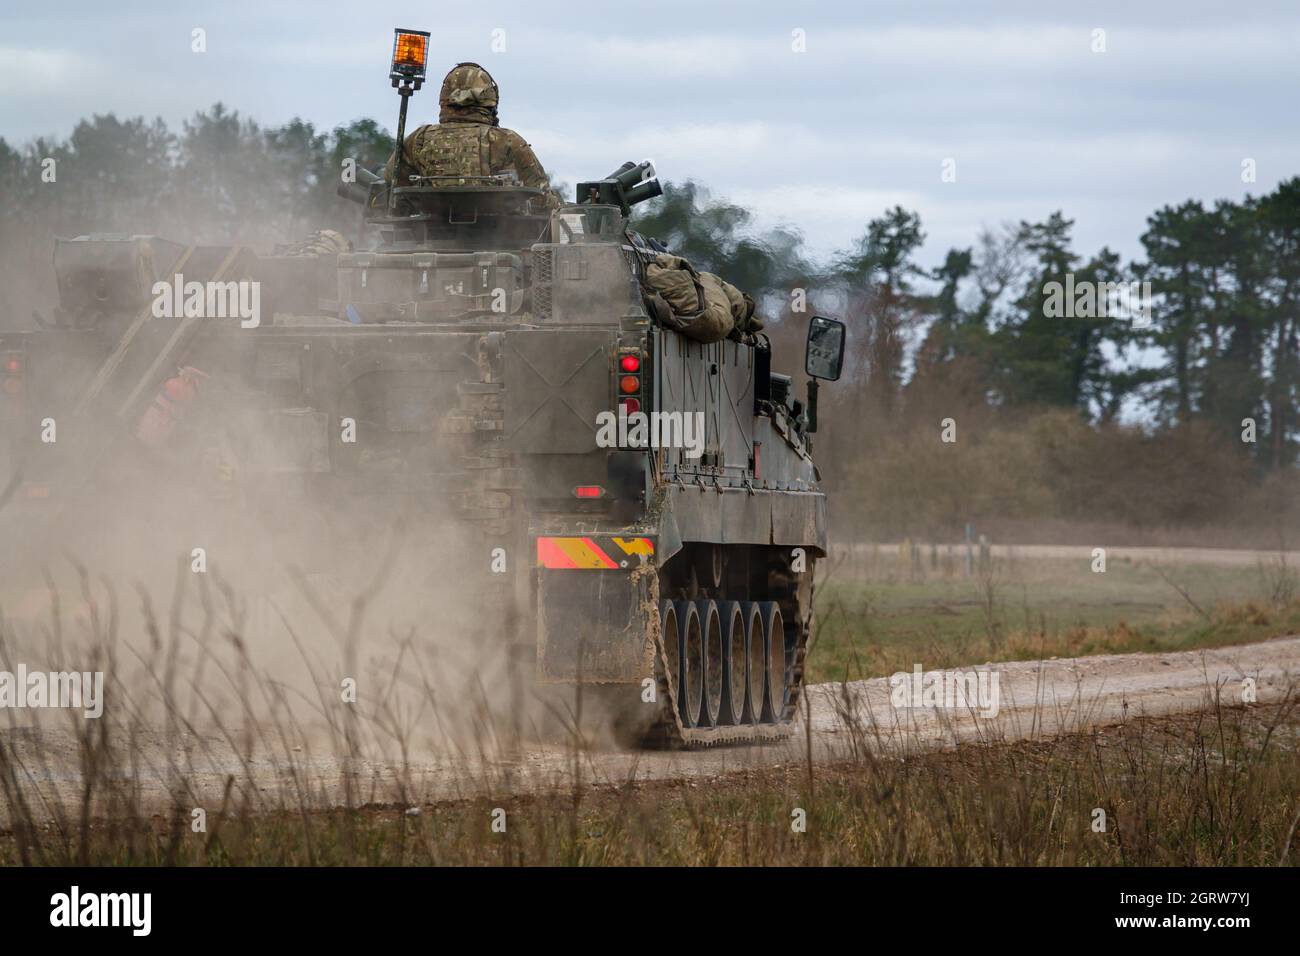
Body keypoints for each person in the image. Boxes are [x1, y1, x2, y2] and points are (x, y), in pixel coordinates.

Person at [384, 62, 558, 208]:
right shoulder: (507, 141)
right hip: (498, 237)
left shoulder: (418, 139)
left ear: (444, 100)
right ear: (490, 103)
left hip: (424, 236)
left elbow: (392, 183)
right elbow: (542, 199)